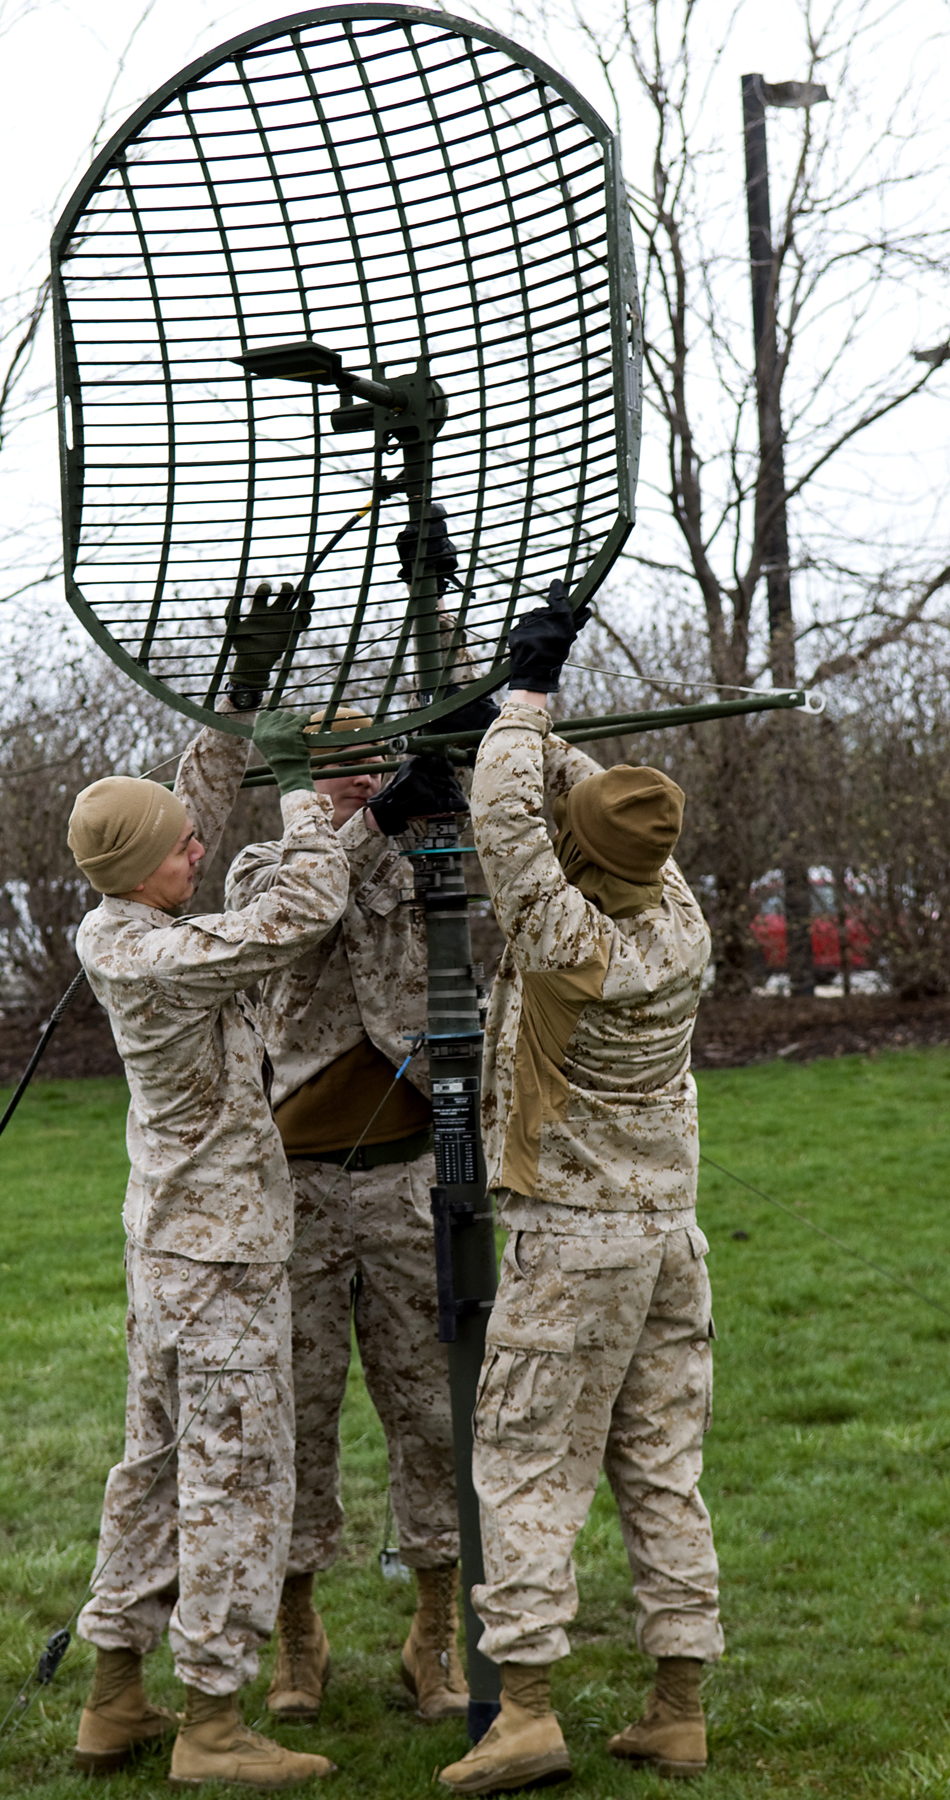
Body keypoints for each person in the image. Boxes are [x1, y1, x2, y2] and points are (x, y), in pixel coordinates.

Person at [67, 583, 350, 1790]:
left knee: (155, 1465)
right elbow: (305, 904)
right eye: (184, 847)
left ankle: (113, 1699)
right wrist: (302, 787)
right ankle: (215, 1724)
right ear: (142, 870)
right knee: (234, 1476)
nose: (201, 851)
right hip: (221, 1263)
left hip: (166, 1255)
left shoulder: (119, 923)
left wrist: (237, 705)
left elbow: (186, 819)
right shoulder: (164, 958)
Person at [439, 592, 721, 1794]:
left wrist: (523, 701)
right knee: (661, 1464)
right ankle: (678, 1704)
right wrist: (551, 738)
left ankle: (529, 1709)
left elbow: (509, 825)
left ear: (578, 863)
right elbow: (610, 816)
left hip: (572, 1249)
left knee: (525, 1465)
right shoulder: (680, 922)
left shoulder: (564, 937)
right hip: (670, 1243)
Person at [225, 711, 474, 1725]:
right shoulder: (260, 872)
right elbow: (301, 913)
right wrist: (369, 826)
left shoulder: (432, 853)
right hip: (304, 1190)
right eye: (336, 773)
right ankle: (299, 1640)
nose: (359, 784)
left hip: (411, 1179)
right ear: (299, 784)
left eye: (374, 767)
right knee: (298, 1413)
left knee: (429, 1411)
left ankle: (434, 1635)